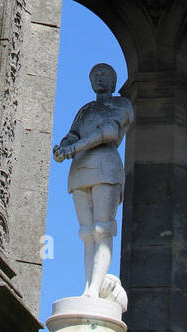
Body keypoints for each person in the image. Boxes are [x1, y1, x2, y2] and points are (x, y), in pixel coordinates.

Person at [53, 63, 133, 299]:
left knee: (102, 228)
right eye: (95, 75)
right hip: (80, 170)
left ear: (114, 80)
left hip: (105, 167)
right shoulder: (86, 109)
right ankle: (88, 287)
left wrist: (74, 148)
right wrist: (64, 146)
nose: (99, 78)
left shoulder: (121, 104)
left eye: (104, 74)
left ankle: (93, 292)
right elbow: (74, 133)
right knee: (86, 232)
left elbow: (110, 133)